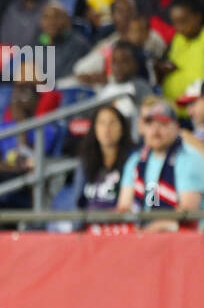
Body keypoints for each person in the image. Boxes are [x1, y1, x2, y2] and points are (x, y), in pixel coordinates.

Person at [117, 96, 204, 224]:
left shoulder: (189, 158)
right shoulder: (136, 160)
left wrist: (149, 231)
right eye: (150, 124)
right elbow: (124, 207)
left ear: (176, 128)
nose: (155, 130)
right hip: (144, 235)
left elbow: (187, 213)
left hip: (184, 239)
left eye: (163, 124)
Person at [73, 103, 133, 210]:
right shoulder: (85, 162)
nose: (107, 129)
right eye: (102, 123)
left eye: (112, 123)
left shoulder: (133, 161)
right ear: (94, 128)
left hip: (120, 224)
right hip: (88, 224)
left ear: (122, 127)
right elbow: (78, 203)